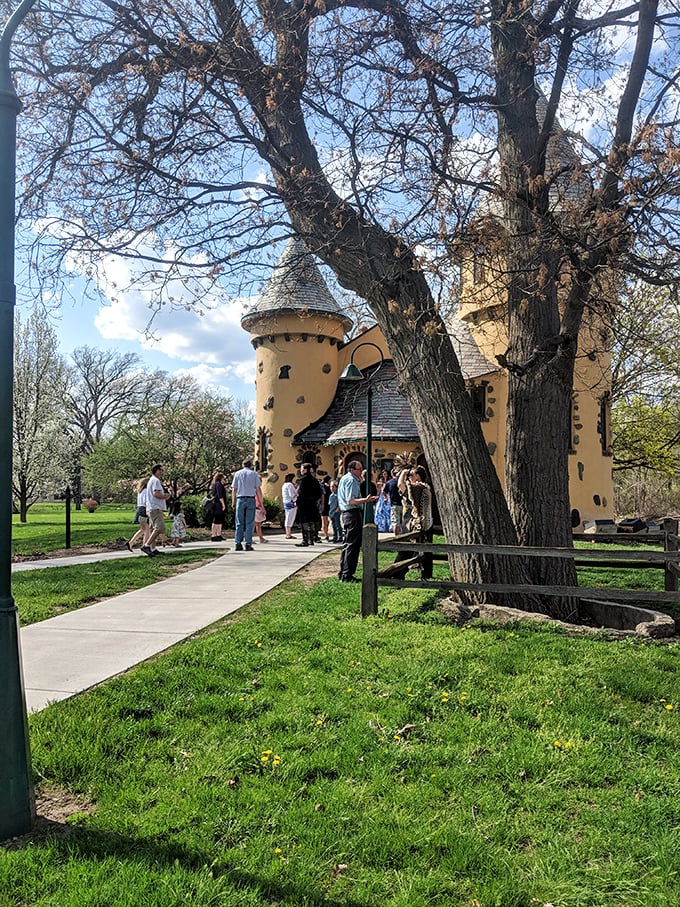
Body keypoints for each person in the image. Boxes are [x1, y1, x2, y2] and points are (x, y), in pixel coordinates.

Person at [337, 460, 379, 582]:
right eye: (359, 469)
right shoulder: (351, 480)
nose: (361, 471)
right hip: (352, 513)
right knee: (352, 545)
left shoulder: (345, 478)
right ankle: (347, 575)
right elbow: (351, 500)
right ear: (352, 469)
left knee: (347, 544)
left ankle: (343, 573)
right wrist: (366, 500)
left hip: (347, 513)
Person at [395, 465, 434, 578]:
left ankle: (396, 573)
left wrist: (403, 473)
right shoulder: (424, 488)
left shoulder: (418, 488)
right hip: (419, 523)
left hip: (412, 524)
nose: (410, 477)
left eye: (412, 475)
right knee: (412, 551)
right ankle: (399, 573)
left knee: (405, 551)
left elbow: (400, 485)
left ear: (418, 476)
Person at [231, 458, 261, 551]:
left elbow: (234, 489)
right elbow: (258, 488)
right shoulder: (254, 474)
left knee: (239, 522)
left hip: (240, 498)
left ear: (243, 465)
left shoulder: (237, 474)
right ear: (250, 465)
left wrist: (233, 501)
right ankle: (248, 544)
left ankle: (238, 543)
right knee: (249, 523)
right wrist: (260, 502)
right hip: (251, 498)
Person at [142, 464, 171, 557]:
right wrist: (165, 497)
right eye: (161, 470)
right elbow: (156, 493)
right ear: (157, 471)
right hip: (155, 508)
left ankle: (153, 549)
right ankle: (146, 546)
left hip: (151, 508)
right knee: (159, 528)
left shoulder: (151, 480)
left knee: (153, 528)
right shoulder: (156, 480)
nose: (162, 472)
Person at [295, 463, 323, 547]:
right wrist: (314, 499)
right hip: (313, 503)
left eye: (302, 469)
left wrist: (298, 501)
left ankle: (305, 540)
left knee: (304, 522)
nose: (301, 471)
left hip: (304, 504)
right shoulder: (315, 480)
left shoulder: (302, 480)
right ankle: (312, 539)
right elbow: (319, 493)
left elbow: (300, 492)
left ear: (306, 470)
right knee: (311, 521)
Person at [126, 478, 150, 551]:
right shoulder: (146, 491)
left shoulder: (140, 492)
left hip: (139, 509)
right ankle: (145, 545)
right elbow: (146, 502)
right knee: (147, 529)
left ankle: (131, 542)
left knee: (143, 529)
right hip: (144, 509)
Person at [383, 467, 404, 536]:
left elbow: (384, 491)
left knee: (395, 522)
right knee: (403, 521)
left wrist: (386, 497)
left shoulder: (389, 483)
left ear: (392, 474)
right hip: (403, 504)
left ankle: (396, 537)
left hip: (394, 504)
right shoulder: (402, 482)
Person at [210, 471, 228, 542]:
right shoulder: (218, 485)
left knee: (219, 519)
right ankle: (214, 535)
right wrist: (223, 504)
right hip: (218, 504)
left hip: (217, 504)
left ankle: (218, 534)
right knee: (216, 519)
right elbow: (220, 495)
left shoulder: (215, 484)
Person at [281, 473, 298, 539]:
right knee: (290, 518)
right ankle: (288, 534)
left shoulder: (284, 485)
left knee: (288, 517)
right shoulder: (290, 485)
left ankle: (288, 533)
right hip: (291, 502)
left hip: (286, 502)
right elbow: (292, 495)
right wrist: (297, 490)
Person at [321, 475, 332, 541]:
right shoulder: (328, 487)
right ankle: (326, 533)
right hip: (327, 504)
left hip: (325, 504)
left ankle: (326, 533)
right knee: (326, 520)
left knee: (324, 520)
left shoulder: (323, 487)